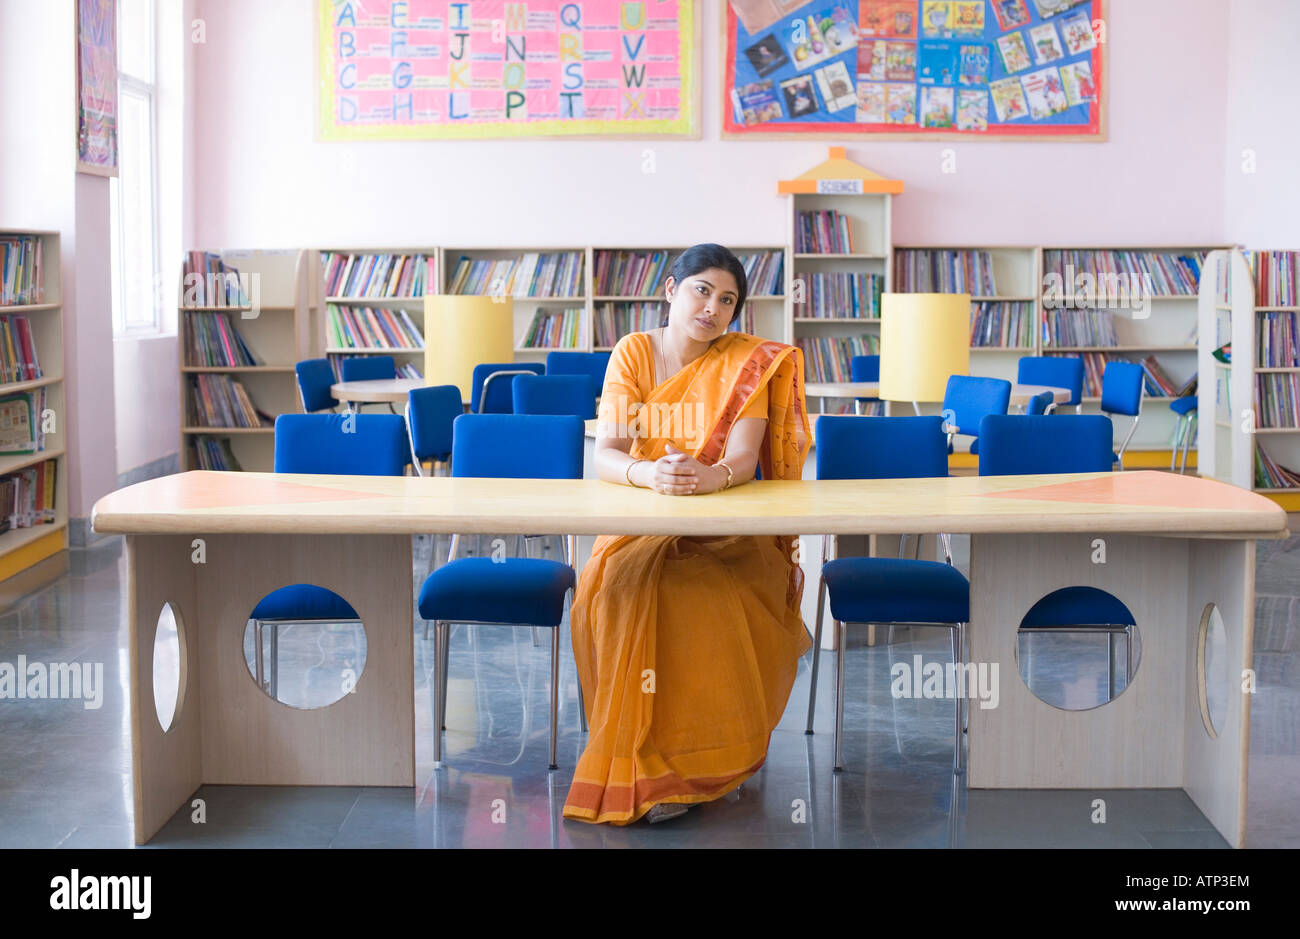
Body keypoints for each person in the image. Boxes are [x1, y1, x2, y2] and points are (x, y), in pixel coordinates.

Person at [561, 243, 812, 825]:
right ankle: (645, 762)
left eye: (728, 300)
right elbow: (607, 455)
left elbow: (746, 459)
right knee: (624, 586)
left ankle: (704, 767)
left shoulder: (749, 362)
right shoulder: (633, 353)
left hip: (727, 524)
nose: (713, 308)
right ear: (671, 288)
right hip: (640, 518)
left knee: (709, 590)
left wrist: (710, 477)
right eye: (702, 289)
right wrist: (652, 474)